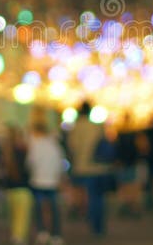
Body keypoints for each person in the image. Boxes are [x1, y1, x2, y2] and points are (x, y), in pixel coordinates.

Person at [67, 102, 111, 238]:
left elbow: (72, 147)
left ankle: (93, 224)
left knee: (90, 197)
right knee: (99, 197)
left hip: (83, 168)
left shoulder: (76, 127)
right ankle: (99, 226)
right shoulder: (97, 126)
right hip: (99, 167)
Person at [26, 118, 65, 245]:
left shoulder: (35, 145)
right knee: (54, 209)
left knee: (39, 208)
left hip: (38, 181)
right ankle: (56, 235)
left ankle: (42, 232)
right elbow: (60, 163)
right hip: (52, 181)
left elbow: (30, 163)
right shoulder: (55, 145)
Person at [2, 126, 33, 245]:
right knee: (22, 217)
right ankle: (19, 237)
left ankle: (15, 235)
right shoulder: (24, 152)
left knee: (14, 216)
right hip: (24, 188)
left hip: (11, 190)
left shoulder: (7, 153)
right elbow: (30, 168)